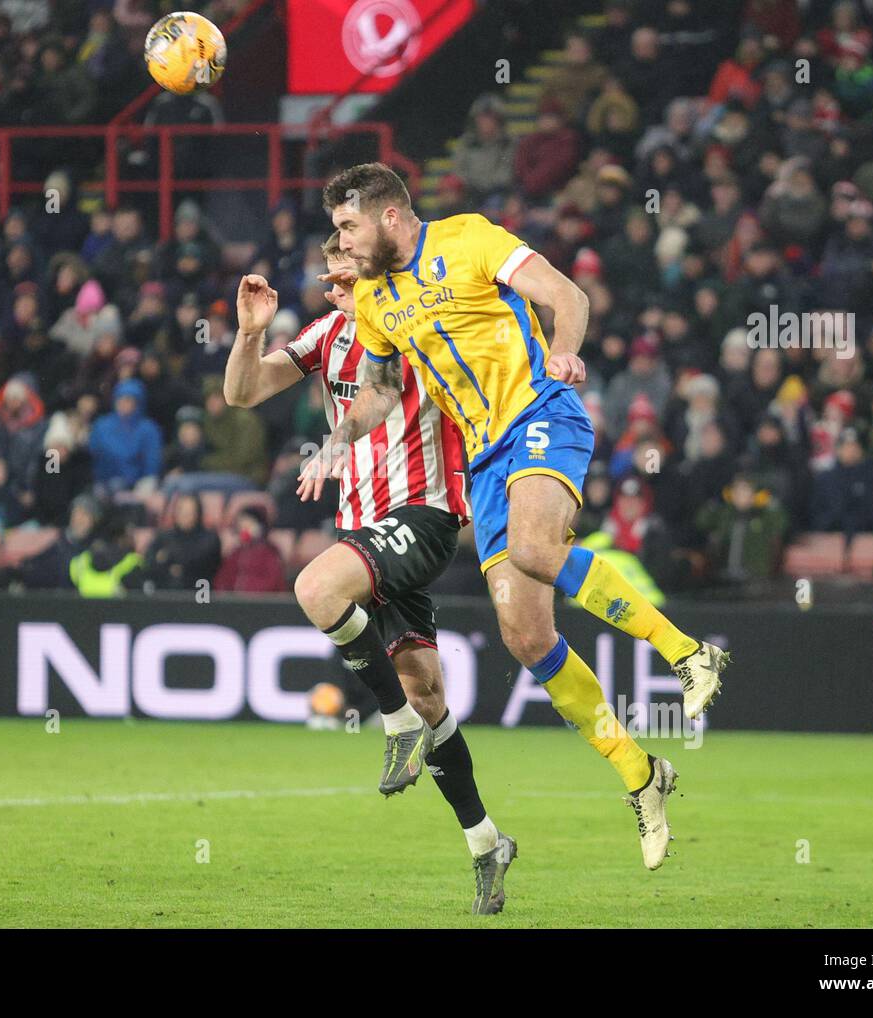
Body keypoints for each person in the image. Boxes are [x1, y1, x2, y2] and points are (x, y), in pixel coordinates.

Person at [307, 162, 729, 873]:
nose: (340, 242)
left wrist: (564, 349)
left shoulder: (469, 238)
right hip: (486, 461)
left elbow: (568, 296)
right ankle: (641, 775)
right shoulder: (377, 299)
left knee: (536, 549)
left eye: (347, 225)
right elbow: (379, 394)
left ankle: (688, 651)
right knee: (527, 638)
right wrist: (335, 443)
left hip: (540, 412)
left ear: (386, 215)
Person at [226, 235, 514, 915]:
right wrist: (248, 334)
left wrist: (331, 446)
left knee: (315, 588)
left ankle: (392, 724)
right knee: (429, 693)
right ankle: (486, 842)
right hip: (364, 533)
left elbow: (383, 395)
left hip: (425, 512)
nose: (339, 289)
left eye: (351, 276)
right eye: (333, 281)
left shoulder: (417, 328)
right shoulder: (327, 335)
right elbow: (242, 394)